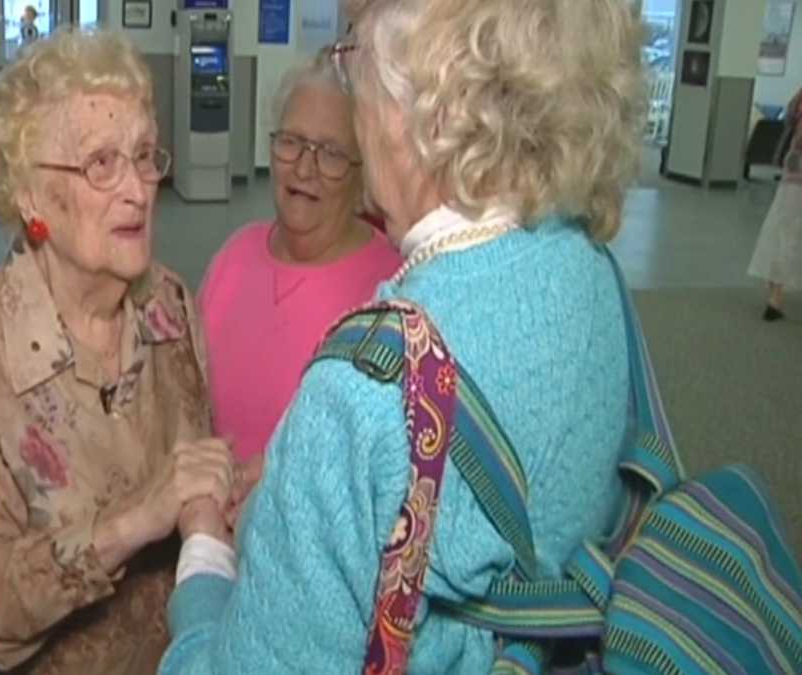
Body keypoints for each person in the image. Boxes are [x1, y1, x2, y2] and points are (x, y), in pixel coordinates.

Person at [161, 0, 646, 672]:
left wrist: (205, 558)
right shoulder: (592, 272)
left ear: (428, 107)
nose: (350, 87)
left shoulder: (362, 391)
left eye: (354, 53)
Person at [0, 28, 232, 674]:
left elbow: (194, 489)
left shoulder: (169, 301)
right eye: (101, 163)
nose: (139, 189)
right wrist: (136, 517)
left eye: (145, 156)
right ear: (30, 194)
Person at [198, 53, 401, 473]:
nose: (305, 168)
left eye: (331, 153)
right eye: (291, 141)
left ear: (363, 172)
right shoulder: (233, 257)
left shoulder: (393, 288)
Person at [749, 86, 802, 321]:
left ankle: (776, 296)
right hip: (794, 173)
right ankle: (775, 295)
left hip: (795, 174)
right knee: (783, 231)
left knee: (784, 232)